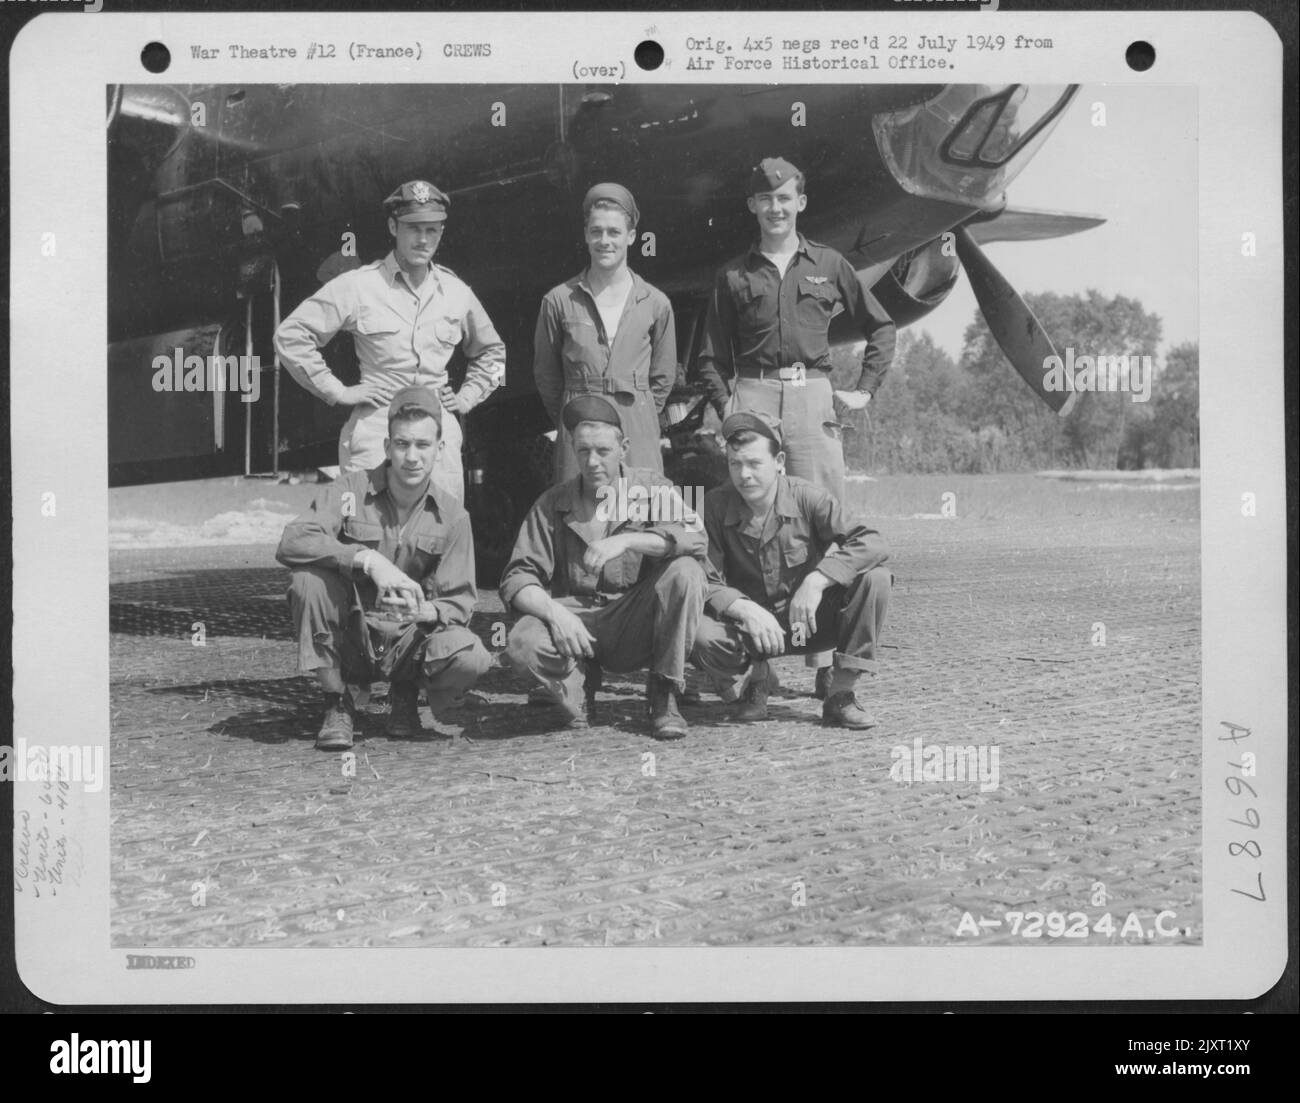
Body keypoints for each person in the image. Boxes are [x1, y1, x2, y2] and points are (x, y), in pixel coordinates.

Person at [694, 156, 896, 693]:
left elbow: (881, 326)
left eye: (785, 198)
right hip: (754, 391)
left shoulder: (828, 265)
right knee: (752, 516)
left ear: (800, 204)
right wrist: (727, 405)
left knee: (822, 522)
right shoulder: (734, 274)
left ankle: (828, 669)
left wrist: (864, 390)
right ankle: (758, 662)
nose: (775, 208)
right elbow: (709, 354)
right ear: (752, 207)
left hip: (814, 396)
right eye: (765, 199)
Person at [276, 386, 491, 750]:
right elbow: (294, 540)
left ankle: (405, 694)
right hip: (354, 633)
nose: (411, 457)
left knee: (472, 654)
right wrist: (368, 560)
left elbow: (460, 603)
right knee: (307, 581)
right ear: (387, 446)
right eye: (402, 444)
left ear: (439, 450)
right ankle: (337, 701)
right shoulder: (350, 492)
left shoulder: (454, 517)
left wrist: (425, 610)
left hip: (409, 640)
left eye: (423, 445)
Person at [275, 180, 506, 501]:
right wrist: (338, 391)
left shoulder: (457, 293)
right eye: (413, 228)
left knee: (439, 537)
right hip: (377, 431)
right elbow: (290, 335)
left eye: (432, 229)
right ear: (393, 226)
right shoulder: (359, 286)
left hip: (438, 436)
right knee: (371, 537)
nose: (423, 239)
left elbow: (494, 355)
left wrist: (467, 397)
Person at [499, 395, 708, 740]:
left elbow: (695, 536)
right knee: (523, 642)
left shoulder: (652, 487)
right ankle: (578, 685)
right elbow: (517, 577)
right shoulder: (553, 503)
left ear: (624, 447)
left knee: (686, 571)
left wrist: (626, 541)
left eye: (603, 451)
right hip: (579, 622)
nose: (592, 461)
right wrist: (556, 615)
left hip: (636, 621)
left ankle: (664, 691)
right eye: (583, 451)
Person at [692, 412, 892, 729]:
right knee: (700, 631)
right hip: (751, 630)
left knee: (875, 578)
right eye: (734, 464)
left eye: (754, 463)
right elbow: (704, 577)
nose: (744, 475)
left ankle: (840, 694)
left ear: (780, 461)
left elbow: (872, 541)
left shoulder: (806, 496)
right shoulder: (713, 506)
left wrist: (817, 580)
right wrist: (744, 610)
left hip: (806, 624)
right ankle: (755, 680)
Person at [533, 183, 677, 484]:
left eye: (614, 232)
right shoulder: (559, 301)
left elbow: (663, 378)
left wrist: (642, 411)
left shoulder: (655, 303)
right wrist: (571, 415)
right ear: (586, 234)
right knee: (579, 514)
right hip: (579, 424)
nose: (604, 241)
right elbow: (547, 378)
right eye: (596, 231)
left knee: (642, 508)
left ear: (631, 237)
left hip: (636, 424)